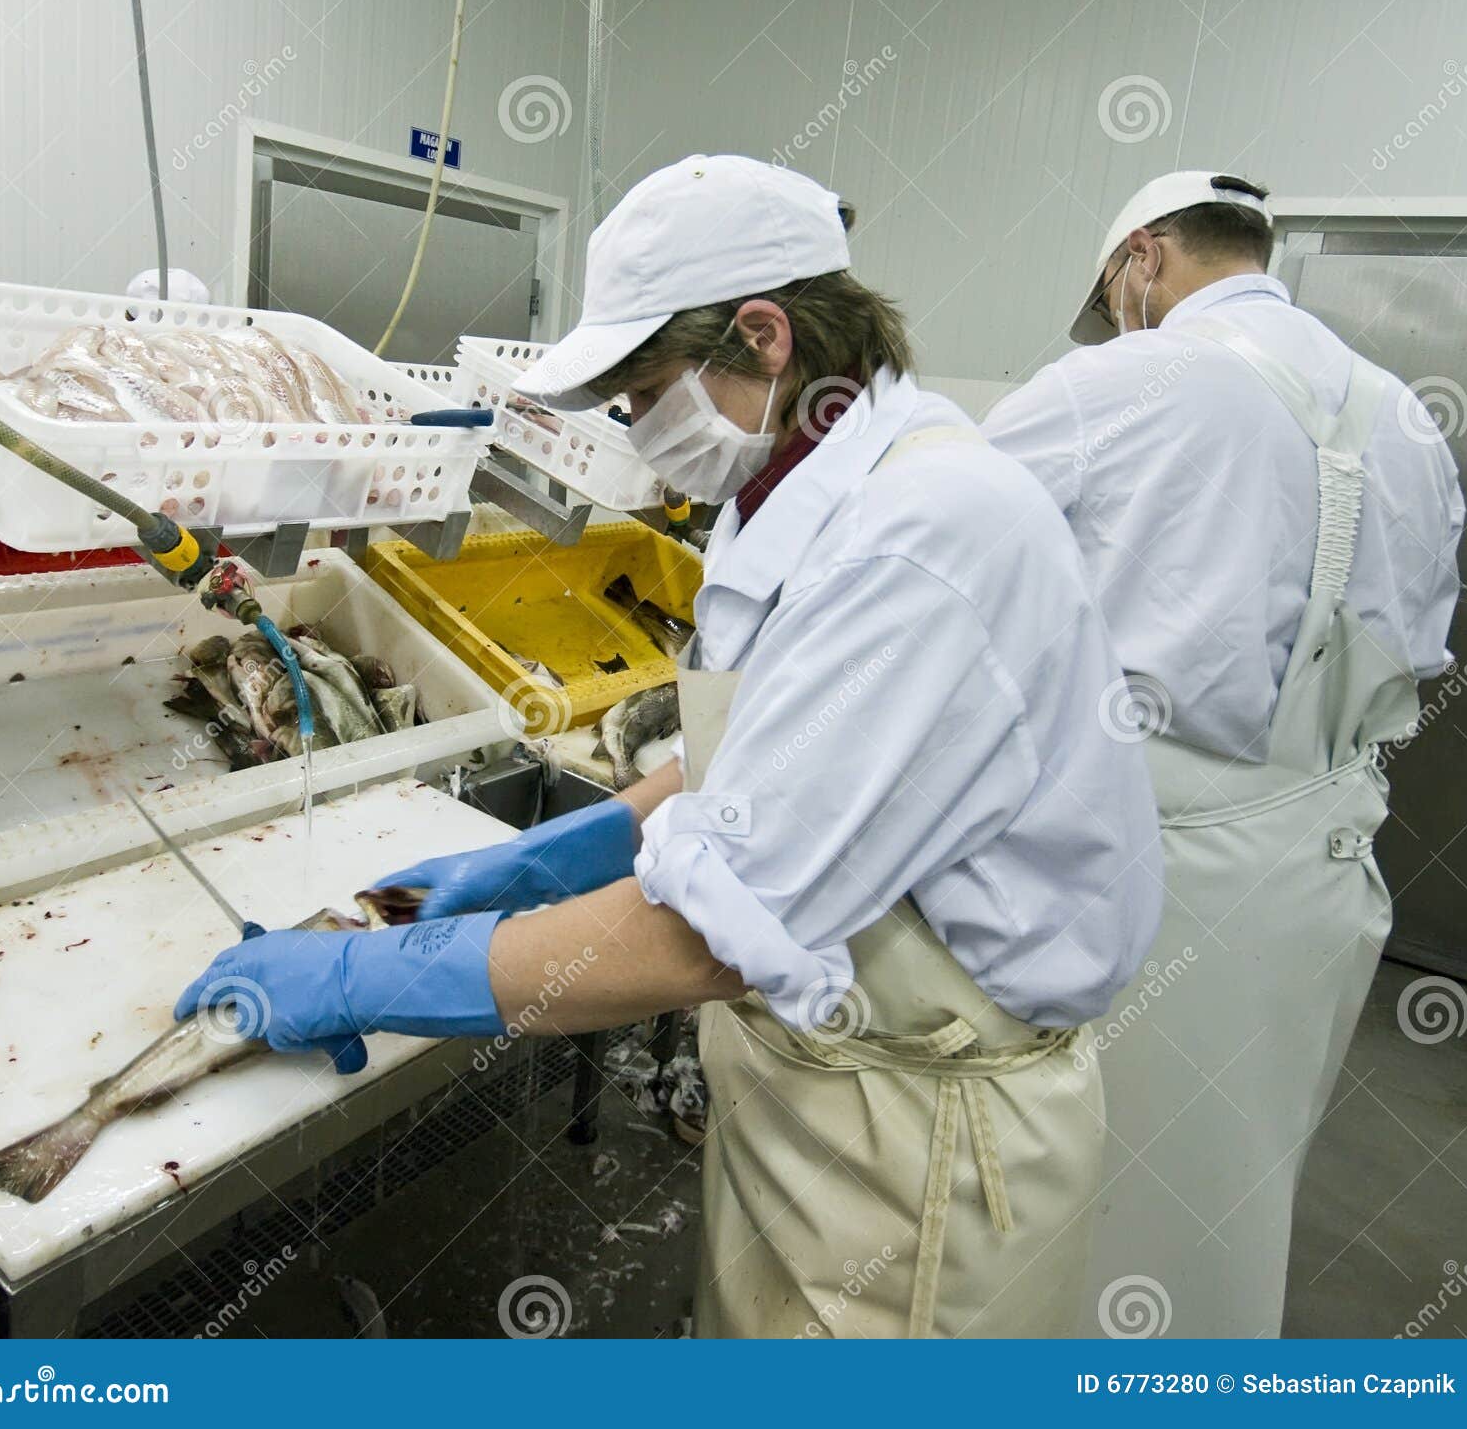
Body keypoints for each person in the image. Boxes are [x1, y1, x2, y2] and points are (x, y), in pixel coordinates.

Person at [177, 154, 1164, 1338]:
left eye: (643, 393)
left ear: (762, 337)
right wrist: (559, 853)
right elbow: (763, 759)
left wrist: (366, 976)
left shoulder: (924, 531)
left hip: (920, 1141)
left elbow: (709, 936)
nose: (637, 431)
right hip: (828, 1085)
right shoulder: (801, 490)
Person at [982, 170, 1464, 1338]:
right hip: (1326, 853)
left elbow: (940, 553)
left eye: (1113, 291)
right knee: (1234, 1194)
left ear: (1141, 256)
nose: (1117, 314)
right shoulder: (1406, 413)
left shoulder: (1113, 381)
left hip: (1155, 861)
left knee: (1088, 1206)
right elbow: (1426, 632)